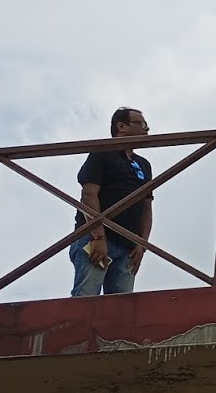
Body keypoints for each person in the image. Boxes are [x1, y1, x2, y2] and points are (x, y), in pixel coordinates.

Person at [69, 107, 154, 296]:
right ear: (121, 126)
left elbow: (147, 208)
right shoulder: (102, 152)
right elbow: (89, 195)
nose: (146, 130)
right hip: (95, 239)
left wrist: (142, 245)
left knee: (120, 312)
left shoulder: (144, 164)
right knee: (86, 298)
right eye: (141, 124)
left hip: (128, 248)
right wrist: (98, 237)